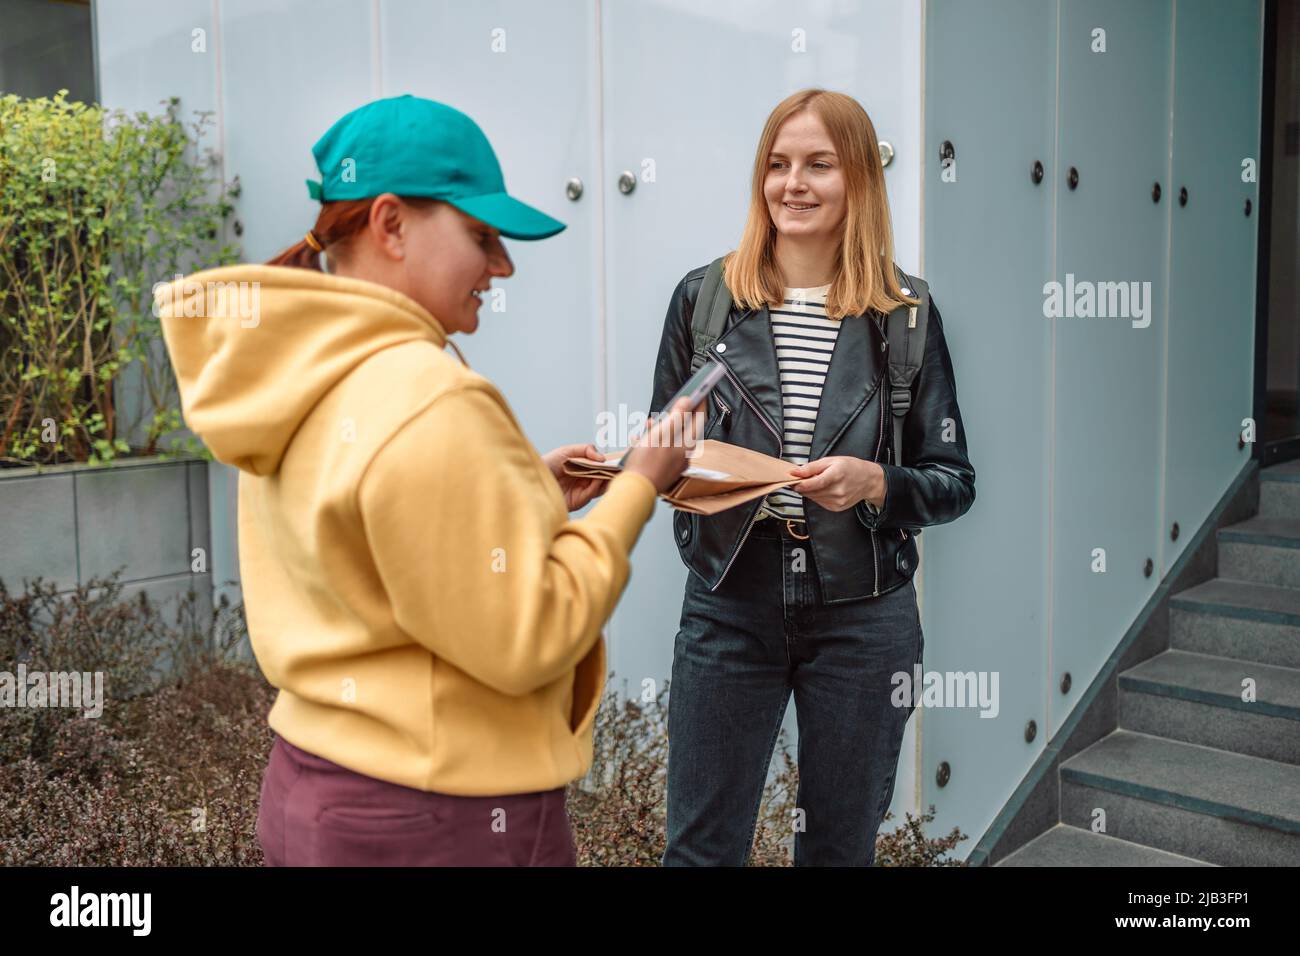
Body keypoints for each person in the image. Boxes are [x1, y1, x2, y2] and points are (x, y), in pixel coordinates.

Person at [156, 94, 695, 866]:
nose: (503, 265)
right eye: (483, 235)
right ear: (390, 224)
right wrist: (639, 487)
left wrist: (526, 496)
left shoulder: (292, 372)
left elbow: (361, 542)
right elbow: (530, 633)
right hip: (443, 817)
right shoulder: (429, 396)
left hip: (313, 794)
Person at [651, 88, 976, 866]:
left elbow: (953, 480)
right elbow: (663, 457)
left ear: (859, 180)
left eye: (819, 165)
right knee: (701, 849)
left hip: (864, 614)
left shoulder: (908, 316)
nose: (792, 183)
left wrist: (876, 485)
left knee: (837, 849)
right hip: (729, 602)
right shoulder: (703, 301)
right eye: (777, 164)